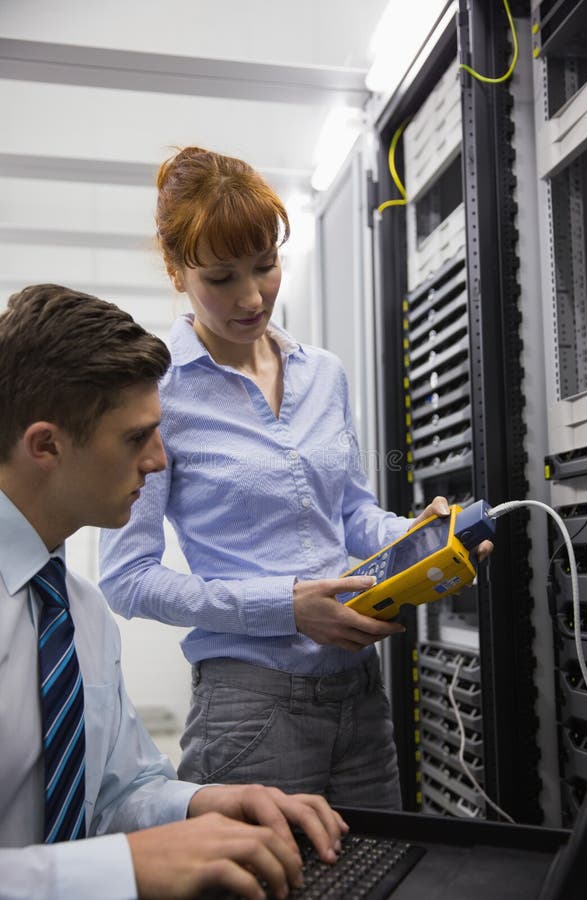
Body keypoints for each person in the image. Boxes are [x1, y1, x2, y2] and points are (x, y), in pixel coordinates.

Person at [99, 147, 493, 810]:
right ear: (176, 270)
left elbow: (354, 518)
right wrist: (285, 606)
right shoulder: (157, 392)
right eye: (222, 277)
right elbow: (127, 578)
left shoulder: (324, 376)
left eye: (265, 266)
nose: (252, 297)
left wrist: (425, 537)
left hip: (362, 695)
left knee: (380, 878)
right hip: (250, 709)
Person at [0, 283, 349, 900]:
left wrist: (210, 802)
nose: (161, 461)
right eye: (137, 438)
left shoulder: (78, 613)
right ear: (46, 445)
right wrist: (122, 869)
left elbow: (120, 793)